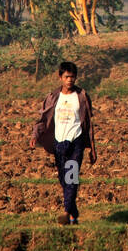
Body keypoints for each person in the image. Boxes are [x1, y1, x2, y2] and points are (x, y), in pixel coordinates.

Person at [30, 61, 97, 225]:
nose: (70, 80)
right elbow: (43, 118)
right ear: (60, 77)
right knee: (63, 179)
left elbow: (89, 123)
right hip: (59, 142)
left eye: (73, 77)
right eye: (67, 77)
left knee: (72, 177)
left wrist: (93, 148)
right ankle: (74, 214)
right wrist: (35, 135)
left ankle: (66, 212)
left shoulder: (81, 96)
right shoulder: (53, 97)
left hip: (76, 141)